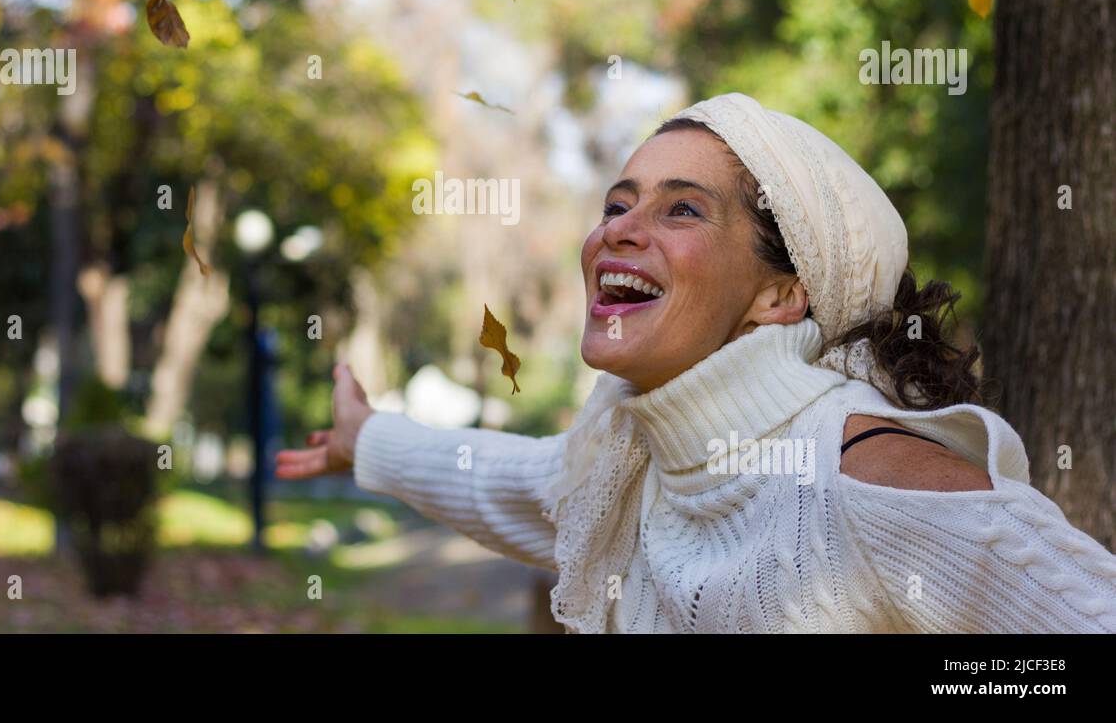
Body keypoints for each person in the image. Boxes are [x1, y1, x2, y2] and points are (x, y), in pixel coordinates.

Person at [276, 92, 1116, 633]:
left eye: (682, 208)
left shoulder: (868, 479)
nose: (618, 230)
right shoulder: (631, 466)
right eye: (617, 204)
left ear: (781, 295)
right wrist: (372, 442)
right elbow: (516, 483)